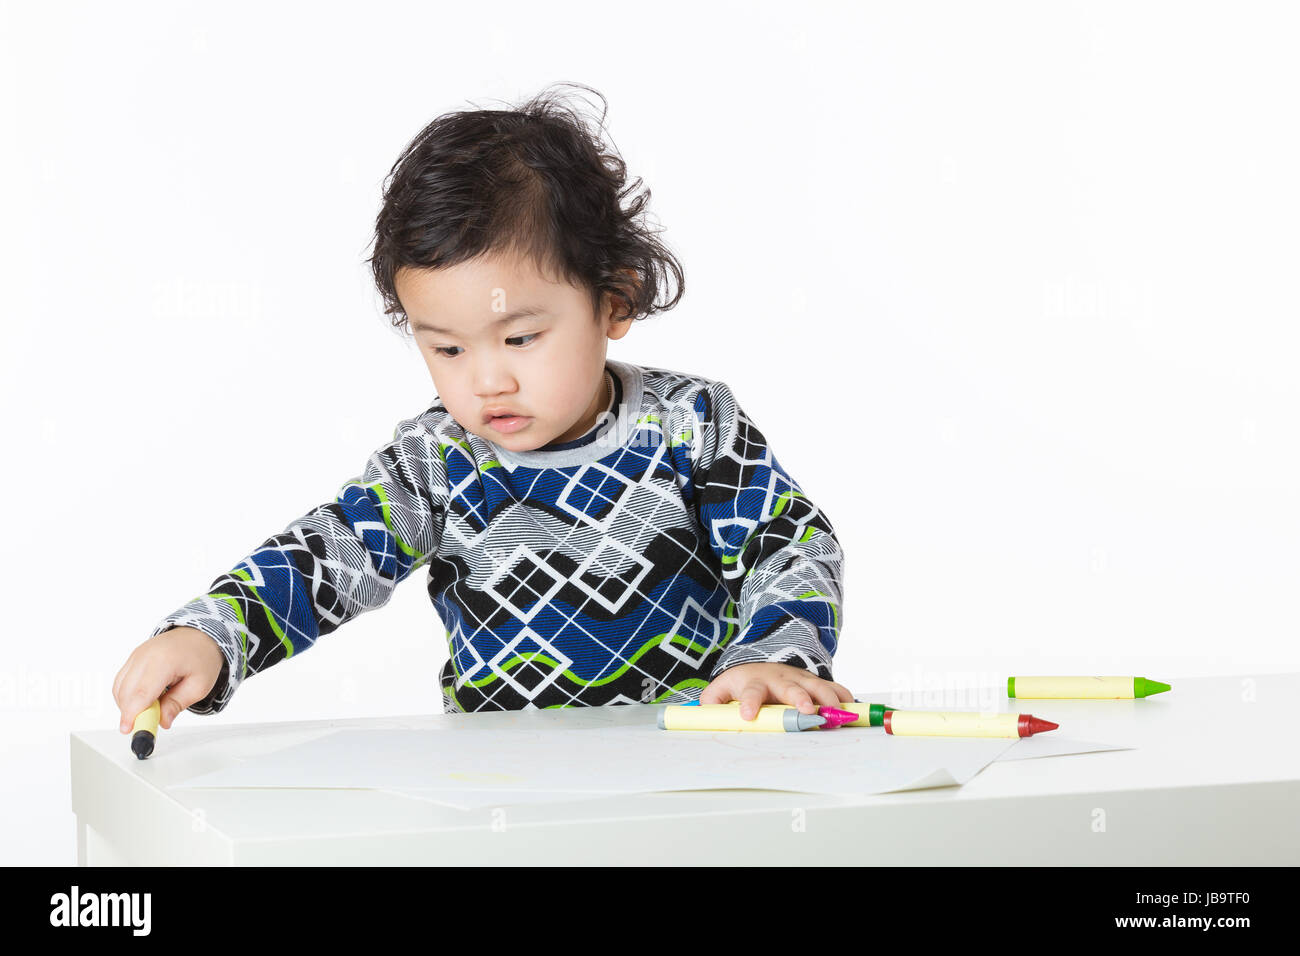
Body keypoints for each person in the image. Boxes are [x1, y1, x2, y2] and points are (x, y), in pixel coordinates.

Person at [113, 81, 851, 738]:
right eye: (449, 350)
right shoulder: (438, 460)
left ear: (614, 299)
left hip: (691, 774)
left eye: (521, 337)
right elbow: (327, 555)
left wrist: (771, 660)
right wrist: (211, 634)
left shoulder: (691, 424)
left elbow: (790, 548)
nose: (487, 382)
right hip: (501, 794)